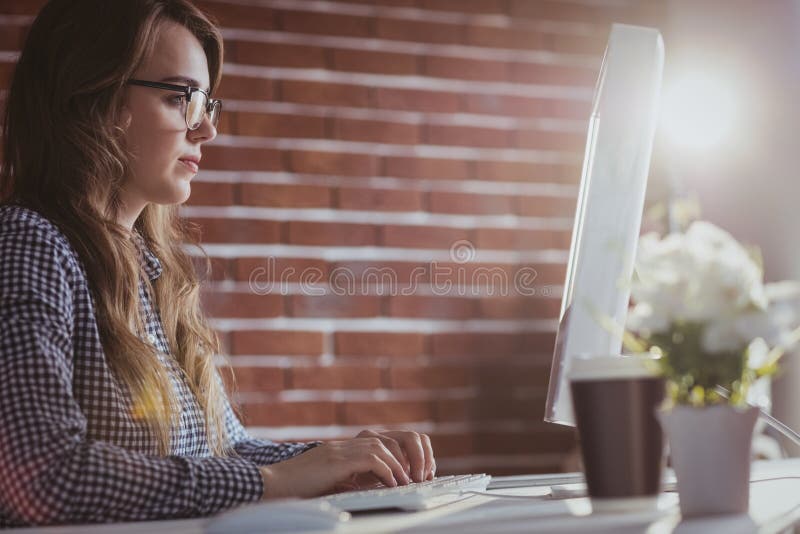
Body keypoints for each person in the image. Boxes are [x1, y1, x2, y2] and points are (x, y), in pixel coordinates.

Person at [0, 0, 434, 527]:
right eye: (181, 97)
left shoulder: (151, 268)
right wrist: (272, 483)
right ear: (90, 94)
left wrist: (336, 462)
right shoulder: (28, 245)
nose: (206, 130)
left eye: (207, 103)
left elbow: (225, 449)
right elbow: (44, 474)